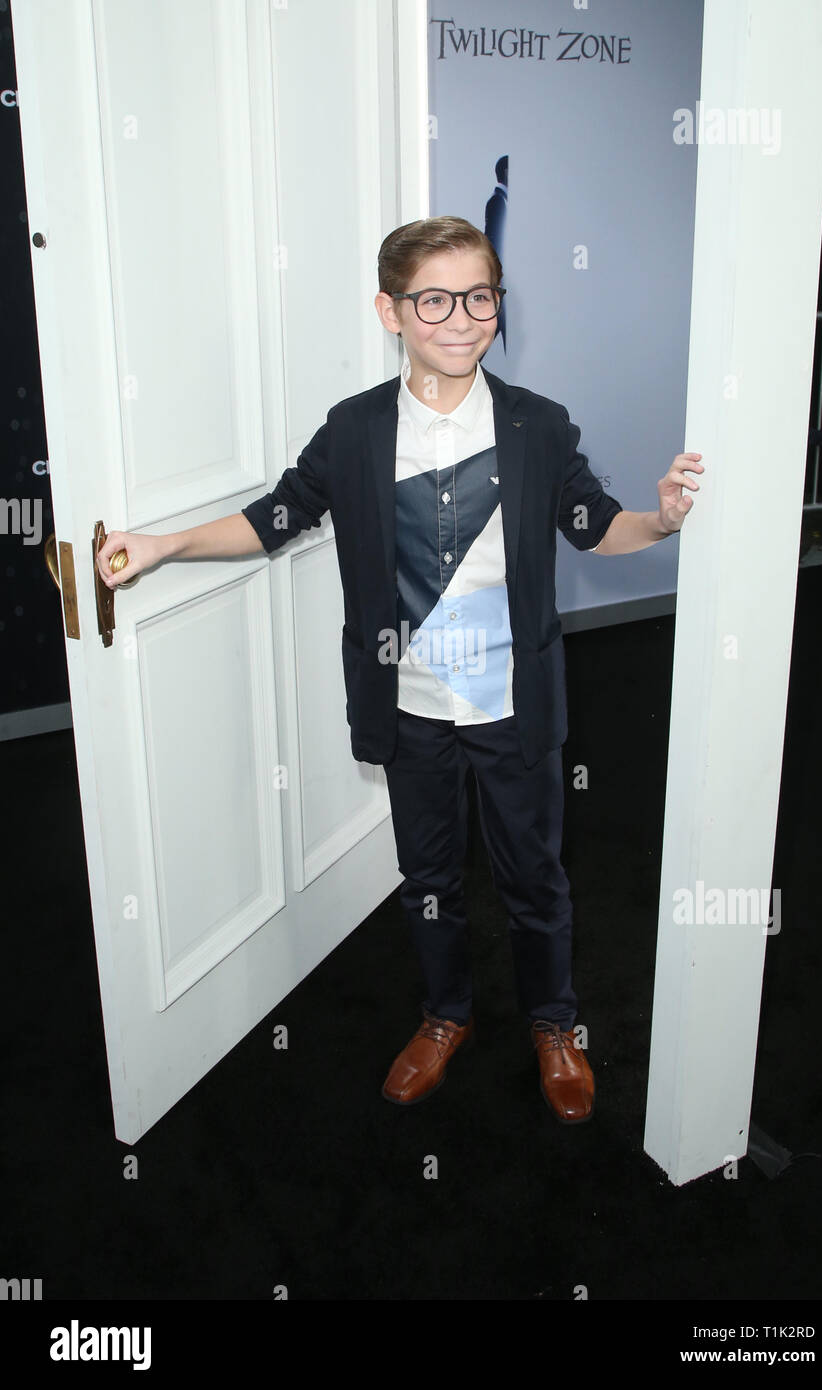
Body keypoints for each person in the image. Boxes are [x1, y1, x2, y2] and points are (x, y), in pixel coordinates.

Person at [96, 216, 703, 1124]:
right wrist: (165, 543)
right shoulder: (354, 430)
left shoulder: (537, 425)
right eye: (433, 299)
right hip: (408, 702)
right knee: (428, 880)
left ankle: (553, 1023)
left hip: (513, 703)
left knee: (534, 877)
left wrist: (658, 520)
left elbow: (594, 526)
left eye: (479, 296)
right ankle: (445, 1016)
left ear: (499, 304)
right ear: (390, 309)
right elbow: (277, 518)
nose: (460, 319)